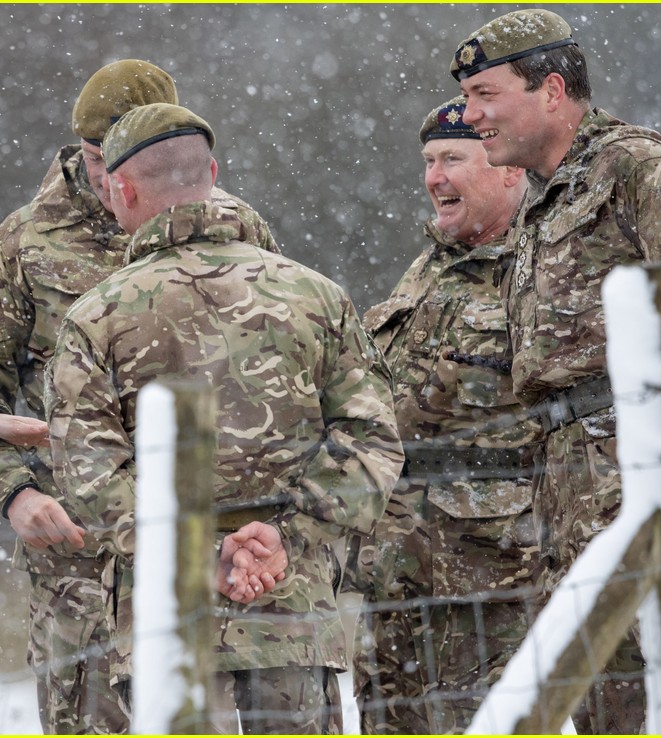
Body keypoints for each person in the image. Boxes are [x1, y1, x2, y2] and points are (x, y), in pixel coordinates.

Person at [451, 9, 661, 733]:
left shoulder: (637, 169)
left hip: (653, 469)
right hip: (567, 481)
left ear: (549, 91)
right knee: (613, 714)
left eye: (484, 93)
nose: (469, 115)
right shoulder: (543, 202)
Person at [0, 59, 279, 734]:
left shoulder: (234, 227)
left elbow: (277, 367)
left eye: (126, 154)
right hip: (83, 556)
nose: (107, 172)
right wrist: (14, 493)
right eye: (94, 155)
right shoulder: (28, 241)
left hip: (214, 540)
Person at [42, 103, 405, 733]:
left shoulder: (97, 316)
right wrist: (283, 543)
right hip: (290, 614)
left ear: (120, 190)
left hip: (167, 625)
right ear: (212, 170)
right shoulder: (317, 297)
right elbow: (370, 441)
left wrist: (198, 559)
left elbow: (89, 472)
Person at [345, 96, 542, 734]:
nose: (435, 177)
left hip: (492, 585)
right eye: (429, 161)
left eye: (453, 158)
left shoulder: (547, 269)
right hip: (397, 580)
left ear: (510, 168)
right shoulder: (430, 271)